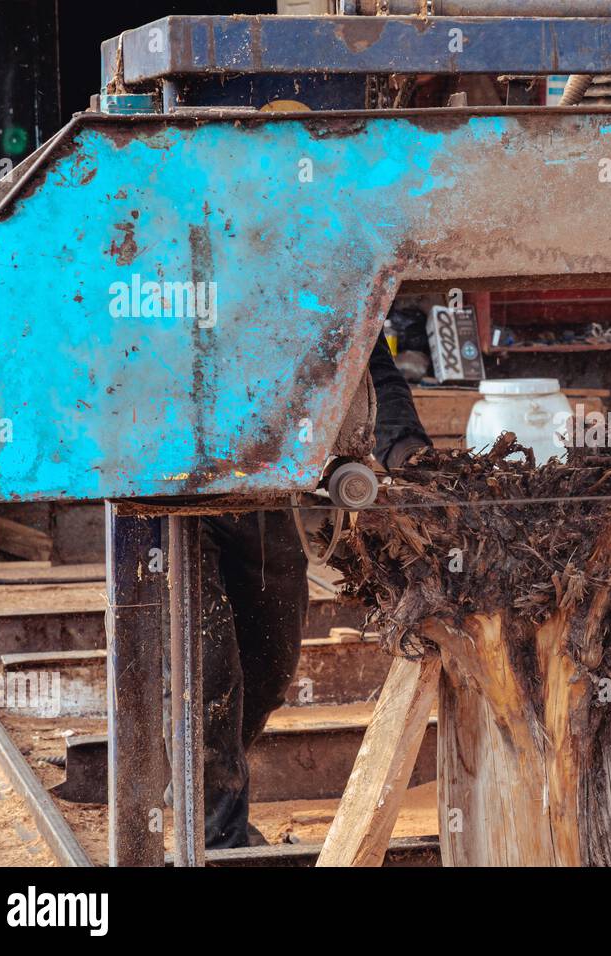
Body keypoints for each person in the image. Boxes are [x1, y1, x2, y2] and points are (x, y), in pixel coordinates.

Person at [174, 332, 430, 849]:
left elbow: (368, 360)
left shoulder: (311, 272)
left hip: (260, 490)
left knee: (269, 670)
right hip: (167, 495)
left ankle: (200, 791)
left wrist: (405, 446)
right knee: (208, 679)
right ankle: (219, 839)